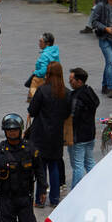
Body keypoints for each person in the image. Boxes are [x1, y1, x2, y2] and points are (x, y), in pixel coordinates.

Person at [27, 60, 70, 208]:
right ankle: (54, 199)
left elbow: (32, 111)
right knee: (54, 166)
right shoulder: (66, 92)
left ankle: (40, 199)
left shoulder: (42, 90)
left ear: (48, 73)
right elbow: (67, 113)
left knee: (40, 168)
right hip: (56, 134)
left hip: (40, 133)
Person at [67, 67, 99, 188]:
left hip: (78, 136)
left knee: (77, 165)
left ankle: (75, 191)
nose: (69, 82)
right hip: (90, 134)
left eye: (71, 80)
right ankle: (98, 184)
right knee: (89, 162)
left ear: (79, 81)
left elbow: (72, 115)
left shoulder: (77, 97)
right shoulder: (89, 91)